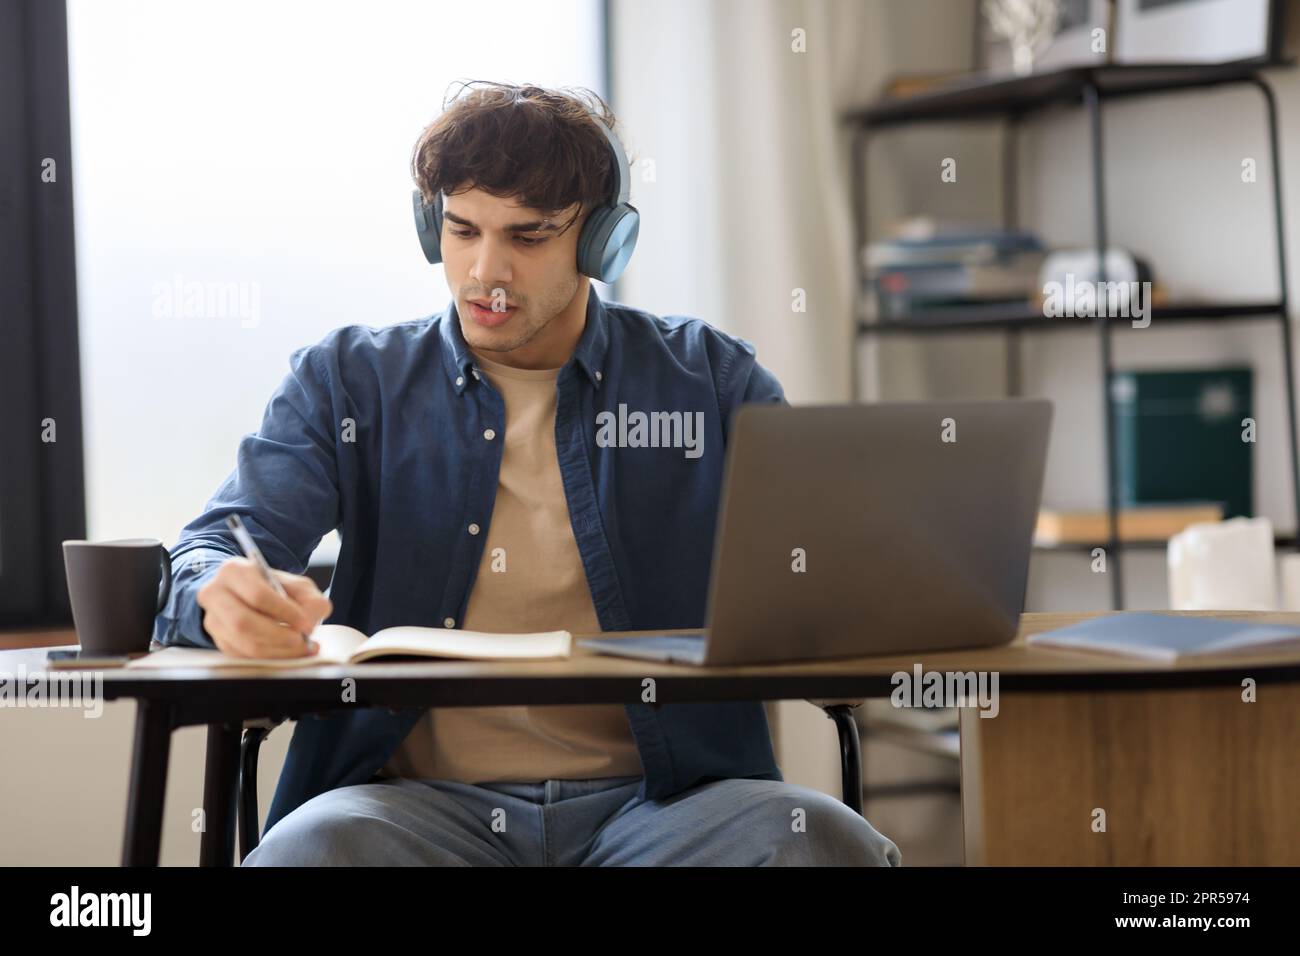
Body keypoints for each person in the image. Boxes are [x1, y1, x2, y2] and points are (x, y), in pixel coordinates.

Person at [154, 81, 901, 867]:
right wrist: (216, 594)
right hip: (410, 810)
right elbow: (209, 546)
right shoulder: (347, 383)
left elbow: (827, 563)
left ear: (603, 244)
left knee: (820, 843)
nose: (487, 271)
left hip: (669, 808)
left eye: (530, 236)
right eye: (462, 229)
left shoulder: (706, 380)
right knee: (311, 851)